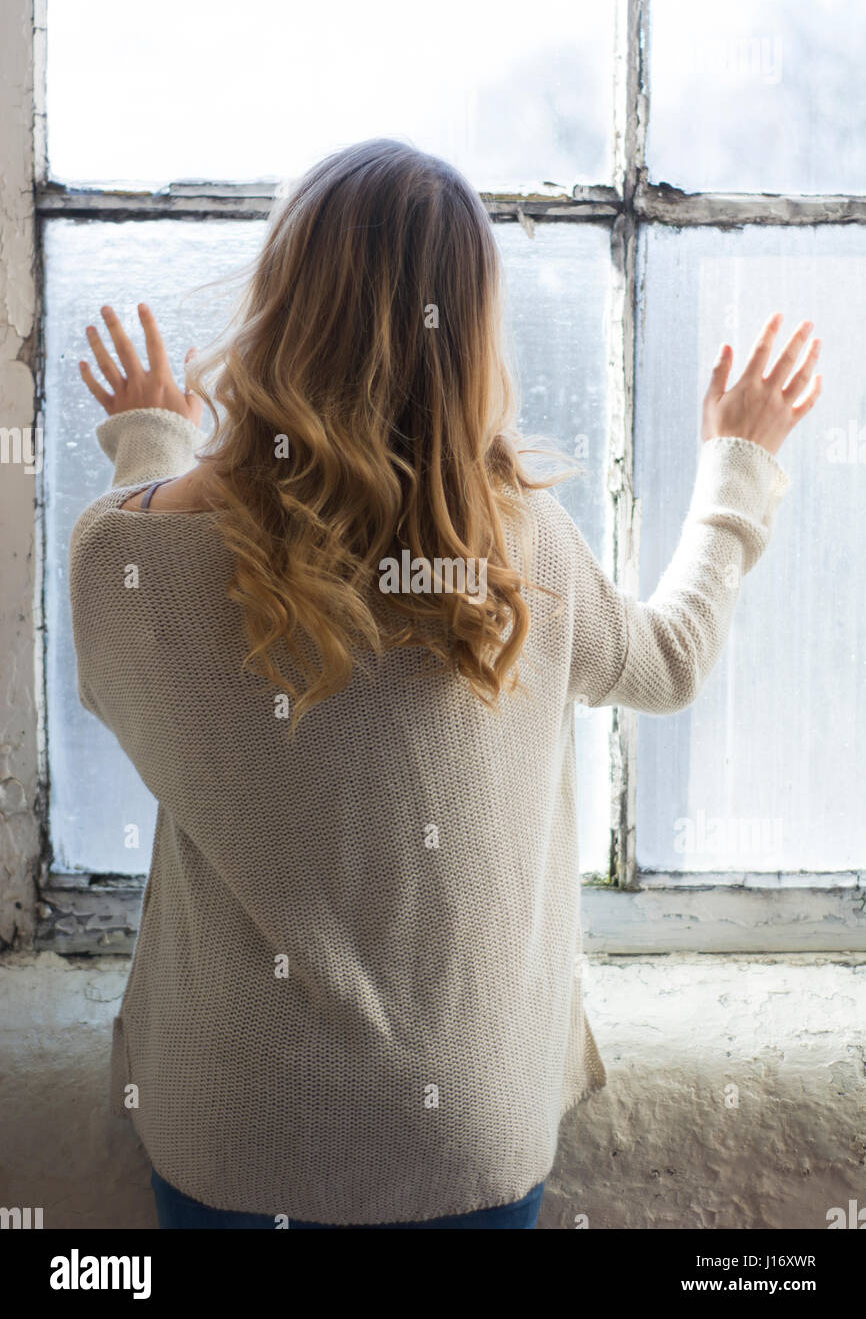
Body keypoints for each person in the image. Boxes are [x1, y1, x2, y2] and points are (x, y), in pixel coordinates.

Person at [70, 138, 821, 1230]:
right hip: (463, 1142)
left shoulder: (116, 562)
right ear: (467, 336)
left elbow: (164, 595)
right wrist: (736, 469)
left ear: (277, 303)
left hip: (229, 1139)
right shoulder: (520, 553)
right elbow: (667, 661)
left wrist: (149, 439)